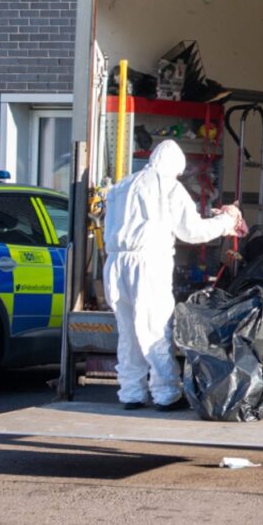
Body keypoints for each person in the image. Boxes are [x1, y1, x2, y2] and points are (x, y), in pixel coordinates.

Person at [101, 139, 242, 409]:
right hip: (148, 262)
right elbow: (192, 231)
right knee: (154, 329)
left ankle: (131, 393)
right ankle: (165, 394)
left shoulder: (121, 187)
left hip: (115, 264)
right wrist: (226, 222)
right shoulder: (169, 187)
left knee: (128, 332)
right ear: (175, 166)